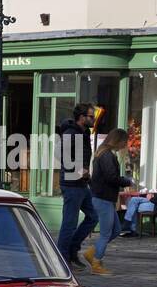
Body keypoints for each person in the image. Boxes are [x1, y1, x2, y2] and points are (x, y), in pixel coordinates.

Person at [84, 128, 132, 275]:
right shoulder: (107, 156)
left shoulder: (105, 154)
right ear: (118, 140)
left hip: (104, 198)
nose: (125, 145)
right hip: (103, 198)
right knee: (106, 233)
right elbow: (111, 177)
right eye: (124, 141)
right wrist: (127, 181)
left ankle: (92, 253)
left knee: (116, 230)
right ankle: (96, 264)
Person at [56, 103, 97, 270]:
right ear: (82, 117)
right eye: (91, 116)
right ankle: (62, 258)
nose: (94, 119)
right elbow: (59, 154)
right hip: (71, 183)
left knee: (93, 216)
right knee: (69, 222)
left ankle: (72, 249)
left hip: (81, 183)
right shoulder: (71, 132)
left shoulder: (84, 132)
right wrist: (78, 169)